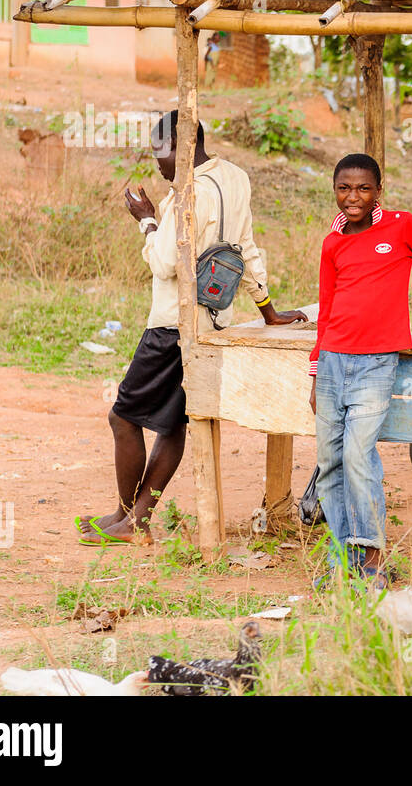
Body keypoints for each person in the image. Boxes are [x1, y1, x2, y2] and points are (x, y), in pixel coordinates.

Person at [76, 111, 306, 546]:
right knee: (173, 424)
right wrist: (268, 310)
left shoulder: (185, 195)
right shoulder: (236, 178)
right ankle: (134, 520)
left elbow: (164, 263)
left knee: (122, 417)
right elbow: (247, 246)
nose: (157, 163)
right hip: (215, 322)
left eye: (159, 152)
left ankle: (130, 519)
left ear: (179, 146)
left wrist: (146, 219)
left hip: (171, 326)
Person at [310, 153, 412, 589]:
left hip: (377, 362)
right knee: (329, 461)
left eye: (362, 188)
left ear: (378, 190)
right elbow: (326, 311)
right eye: (343, 187)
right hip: (333, 361)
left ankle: (371, 559)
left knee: (359, 456)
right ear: (334, 189)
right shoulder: (332, 242)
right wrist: (316, 372)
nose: (352, 196)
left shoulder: (402, 225)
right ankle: (344, 559)